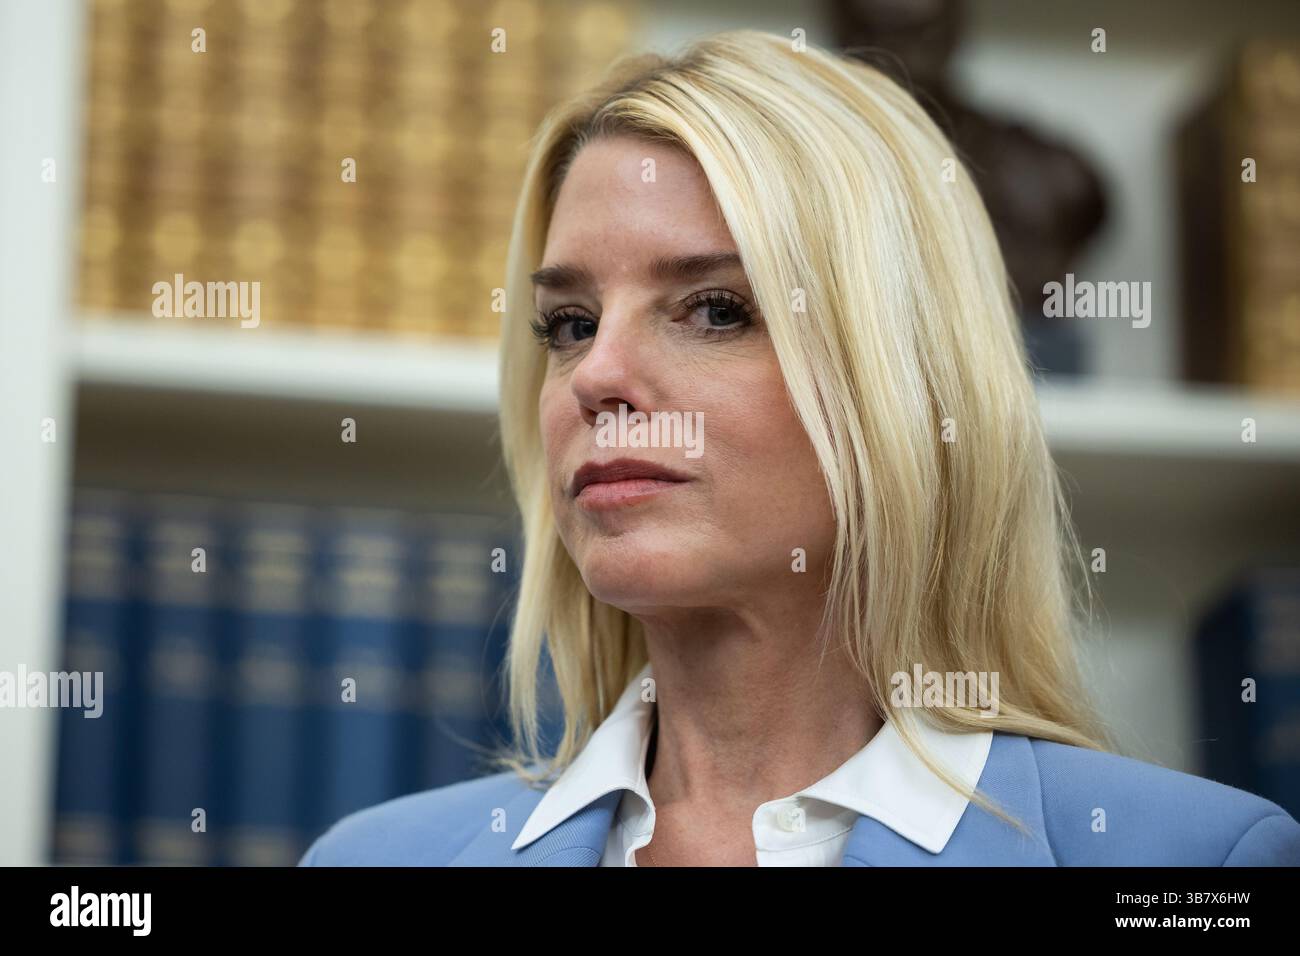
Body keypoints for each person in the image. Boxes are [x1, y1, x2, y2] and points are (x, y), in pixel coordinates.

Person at [300, 29, 1300, 867]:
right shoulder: (367, 860)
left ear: (900, 377)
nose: (597, 374)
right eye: (567, 322)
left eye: (715, 307)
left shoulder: (1198, 859)